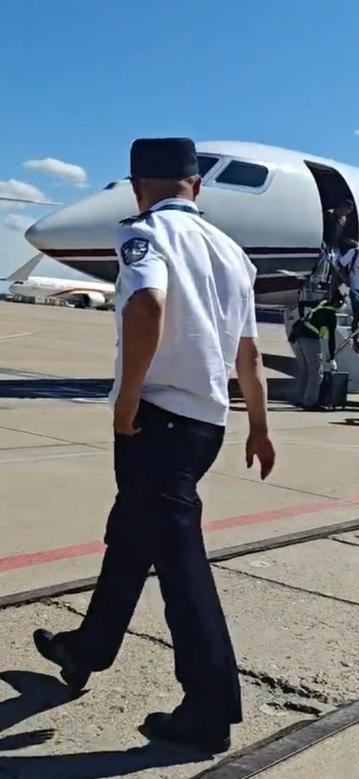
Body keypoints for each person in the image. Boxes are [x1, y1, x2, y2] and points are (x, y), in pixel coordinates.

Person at [32, 138, 276, 754]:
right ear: (197, 185)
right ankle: (86, 648)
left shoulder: (145, 235)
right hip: (206, 427)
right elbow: (248, 355)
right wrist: (260, 426)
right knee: (134, 530)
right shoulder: (232, 253)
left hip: (157, 418)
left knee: (178, 559)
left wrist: (126, 398)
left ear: (139, 185)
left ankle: (209, 706)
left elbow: (147, 306)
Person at [291, 290, 344, 409]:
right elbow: (331, 339)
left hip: (298, 337)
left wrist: (302, 317)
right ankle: (310, 402)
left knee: (304, 371)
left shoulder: (321, 303)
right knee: (316, 373)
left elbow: (302, 303)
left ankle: (299, 399)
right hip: (311, 340)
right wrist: (332, 358)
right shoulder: (331, 316)